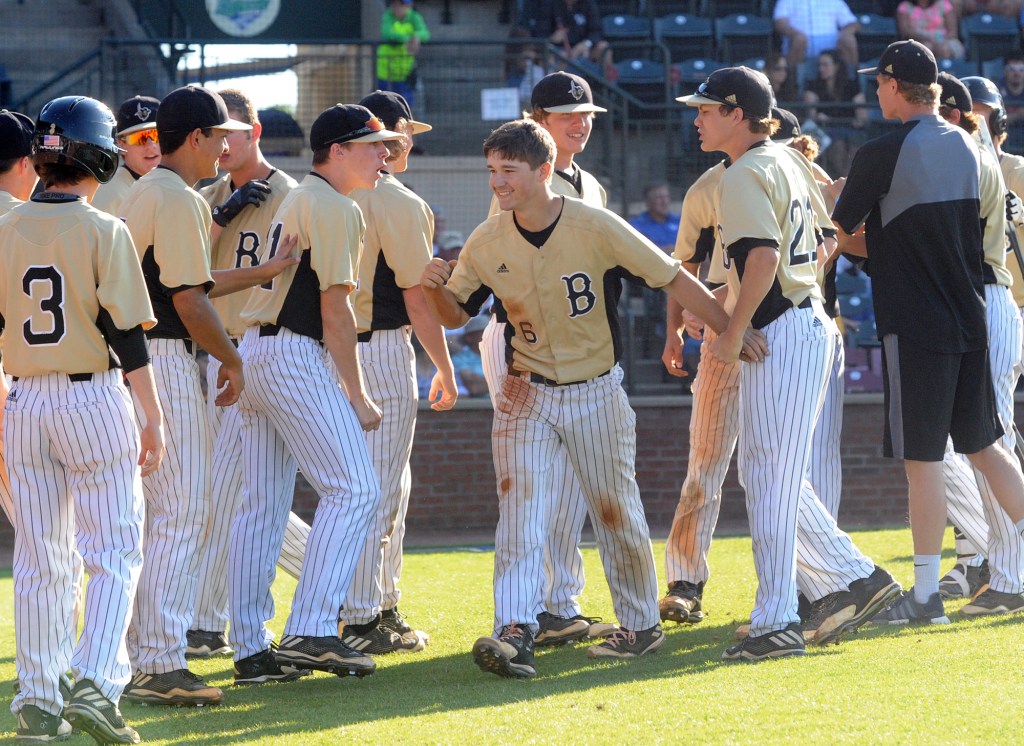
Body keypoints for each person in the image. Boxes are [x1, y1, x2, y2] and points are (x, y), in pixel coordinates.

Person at [421, 117, 768, 679]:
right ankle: (515, 629)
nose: (498, 182)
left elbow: (671, 276)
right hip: (525, 389)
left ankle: (641, 624)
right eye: (491, 170)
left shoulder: (594, 223)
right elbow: (457, 313)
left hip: (596, 389)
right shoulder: (487, 238)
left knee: (614, 509)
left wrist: (730, 326)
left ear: (544, 171)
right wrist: (434, 288)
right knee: (519, 510)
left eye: (509, 170)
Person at [681, 69, 901, 660]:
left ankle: (786, 614)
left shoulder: (744, 171)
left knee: (772, 480)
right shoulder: (790, 160)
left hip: (783, 331)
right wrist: (746, 303)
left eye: (706, 109)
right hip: (802, 322)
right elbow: (827, 238)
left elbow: (761, 258)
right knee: (768, 477)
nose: (697, 118)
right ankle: (847, 582)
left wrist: (733, 331)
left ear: (736, 114)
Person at [834, 40, 1024, 624]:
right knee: (987, 448)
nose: (875, 91)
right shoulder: (972, 146)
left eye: (878, 82)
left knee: (923, 461)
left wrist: (855, 230)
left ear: (894, 85)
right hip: (973, 314)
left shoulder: (880, 151)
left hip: (915, 323)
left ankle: (925, 597)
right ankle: (933, 592)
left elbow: (841, 232)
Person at [119, 85, 294, 707]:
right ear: (195, 137)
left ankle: (136, 653)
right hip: (159, 357)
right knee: (184, 513)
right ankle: (159, 661)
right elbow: (188, 300)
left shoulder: (151, 191)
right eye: (218, 135)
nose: (224, 147)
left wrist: (260, 272)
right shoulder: (178, 197)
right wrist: (232, 358)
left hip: (129, 358)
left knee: (153, 518)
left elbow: (187, 281)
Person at [0, 95, 163, 745]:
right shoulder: (104, 228)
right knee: (114, 551)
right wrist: (153, 414)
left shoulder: (4, 226)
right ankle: (96, 681)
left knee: (40, 560)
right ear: (97, 153)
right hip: (91, 398)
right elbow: (126, 333)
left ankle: (38, 702)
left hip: (24, 400)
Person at [227, 104, 403, 682]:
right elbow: (335, 308)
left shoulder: (302, 196)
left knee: (262, 508)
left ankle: (250, 650)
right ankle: (312, 630)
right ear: (338, 150)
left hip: (256, 350)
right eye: (373, 145)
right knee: (355, 488)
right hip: (291, 354)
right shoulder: (335, 205)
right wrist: (358, 393)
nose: (385, 155)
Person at [478, 72, 615, 647]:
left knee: (570, 482)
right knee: (534, 482)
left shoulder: (589, 184)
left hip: (573, 345)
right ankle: (534, 606)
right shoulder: (522, 182)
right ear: (537, 122)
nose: (580, 123)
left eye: (586, 114)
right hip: (520, 338)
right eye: (566, 115)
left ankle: (559, 602)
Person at [330, 89, 457, 654]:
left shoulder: (325, 191)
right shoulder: (398, 201)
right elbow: (416, 298)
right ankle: (362, 619)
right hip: (378, 350)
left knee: (374, 488)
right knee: (377, 491)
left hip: (322, 351)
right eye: (401, 132)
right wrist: (445, 367)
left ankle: (377, 606)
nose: (405, 143)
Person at [187, 88, 304, 668]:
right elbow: (181, 275)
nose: (224, 144)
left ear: (255, 133)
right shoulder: (207, 197)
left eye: (233, 132)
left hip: (268, 349)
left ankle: (218, 622)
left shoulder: (290, 194)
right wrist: (222, 214)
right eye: (217, 134)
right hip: (216, 355)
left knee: (245, 495)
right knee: (226, 494)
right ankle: (213, 623)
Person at [933, 73, 1024, 615]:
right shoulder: (958, 158)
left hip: (997, 302)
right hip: (980, 305)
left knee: (991, 441)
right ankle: (985, 561)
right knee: (971, 443)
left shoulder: (997, 164)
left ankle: (1010, 575)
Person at [92, 95, 161, 217]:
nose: (151, 146)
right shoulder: (110, 192)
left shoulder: (169, 182)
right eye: (139, 138)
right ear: (122, 145)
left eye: (156, 135)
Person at [803, 50, 868, 176]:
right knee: (838, 144)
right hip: (827, 130)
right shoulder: (813, 86)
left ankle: (846, 179)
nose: (821, 69)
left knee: (856, 142)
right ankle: (845, 180)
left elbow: (862, 114)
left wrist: (859, 120)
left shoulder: (851, 85)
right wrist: (817, 116)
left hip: (849, 128)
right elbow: (811, 114)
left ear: (836, 66)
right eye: (819, 65)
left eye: (825, 65)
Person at [773, 0, 859, 68]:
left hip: (831, 46)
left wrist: (846, 33)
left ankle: (854, 80)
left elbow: (853, 23)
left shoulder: (834, 1)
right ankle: (792, 81)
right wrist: (796, 34)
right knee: (799, 40)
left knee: (848, 40)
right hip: (800, 44)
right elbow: (779, 23)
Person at [378, 0, 431, 108]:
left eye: (401, 4)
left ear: (409, 5)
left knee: (405, 104)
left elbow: (425, 34)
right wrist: (407, 38)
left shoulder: (414, 17)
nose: (397, 8)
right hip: (385, 71)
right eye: (394, 4)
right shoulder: (388, 16)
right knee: (383, 103)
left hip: (403, 72)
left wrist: (416, 36)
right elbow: (386, 33)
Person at [533, 0, 608, 65]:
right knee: (556, 56)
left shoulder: (588, 3)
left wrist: (587, 43)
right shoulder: (549, 3)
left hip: (582, 49)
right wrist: (552, 38)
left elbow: (597, 31)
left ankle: (605, 78)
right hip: (557, 50)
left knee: (604, 47)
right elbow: (540, 35)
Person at [896, 1, 964, 60]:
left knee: (945, 49)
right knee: (926, 48)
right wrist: (928, 39)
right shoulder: (905, 7)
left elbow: (953, 32)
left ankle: (946, 69)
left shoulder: (944, 4)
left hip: (944, 39)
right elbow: (905, 31)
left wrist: (940, 42)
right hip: (917, 40)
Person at [629, 182, 681, 253]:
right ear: (648, 202)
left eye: (666, 197)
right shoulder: (637, 225)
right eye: (659, 198)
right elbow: (640, 251)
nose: (664, 202)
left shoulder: (680, 221)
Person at [997, 53, 1024, 128]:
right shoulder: (995, 92)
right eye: (1012, 69)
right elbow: (995, 123)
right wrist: (1018, 114)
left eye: (1021, 69)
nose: (1017, 74)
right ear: (1005, 71)